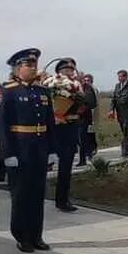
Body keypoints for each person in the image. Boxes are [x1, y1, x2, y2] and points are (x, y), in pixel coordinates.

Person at [0, 48, 56, 253]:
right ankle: (22, 236)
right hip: (20, 150)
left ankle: (36, 234)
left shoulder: (43, 92)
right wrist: (8, 154)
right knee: (21, 195)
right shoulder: (9, 91)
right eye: (28, 65)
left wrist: (52, 150)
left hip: (40, 149)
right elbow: (3, 127)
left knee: (38, 194)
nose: (33, 68)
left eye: (34, 65)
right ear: (17, 68)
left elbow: (50, 122)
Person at [50, 58, 81, 212]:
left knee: (66, 165)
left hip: (71, 127)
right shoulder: (51, 84)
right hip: (55, 127)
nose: (70, 72)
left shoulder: (77, 86)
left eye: (71, 70)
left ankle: (62, 199)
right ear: (59, 72)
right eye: (66, 70)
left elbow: (86, 102)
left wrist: (78, 95)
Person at [77, 73, 99, 166]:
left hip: (86, 118)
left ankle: (86, 157)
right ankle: (84, 157)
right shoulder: (76, 88)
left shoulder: (88, 89)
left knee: (85, 138)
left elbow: (92, 103)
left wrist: (82, 109)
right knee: (80, 139)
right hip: (77, 119)